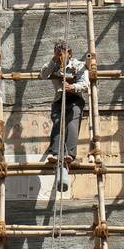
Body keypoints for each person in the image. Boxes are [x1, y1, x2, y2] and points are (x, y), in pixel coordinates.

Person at [40, 41, 89, 193]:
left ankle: (70, 154)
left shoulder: (79, 65)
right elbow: (43, 75)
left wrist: (73, 87)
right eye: (58, 53)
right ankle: (55, 153)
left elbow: (85, 83)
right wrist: (54, 60)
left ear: (70, 53)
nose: (61, 57)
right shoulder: (54, 64)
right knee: (57, 122)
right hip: (59, 99)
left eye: (63, 53)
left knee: (71, 124)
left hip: (75, 99)